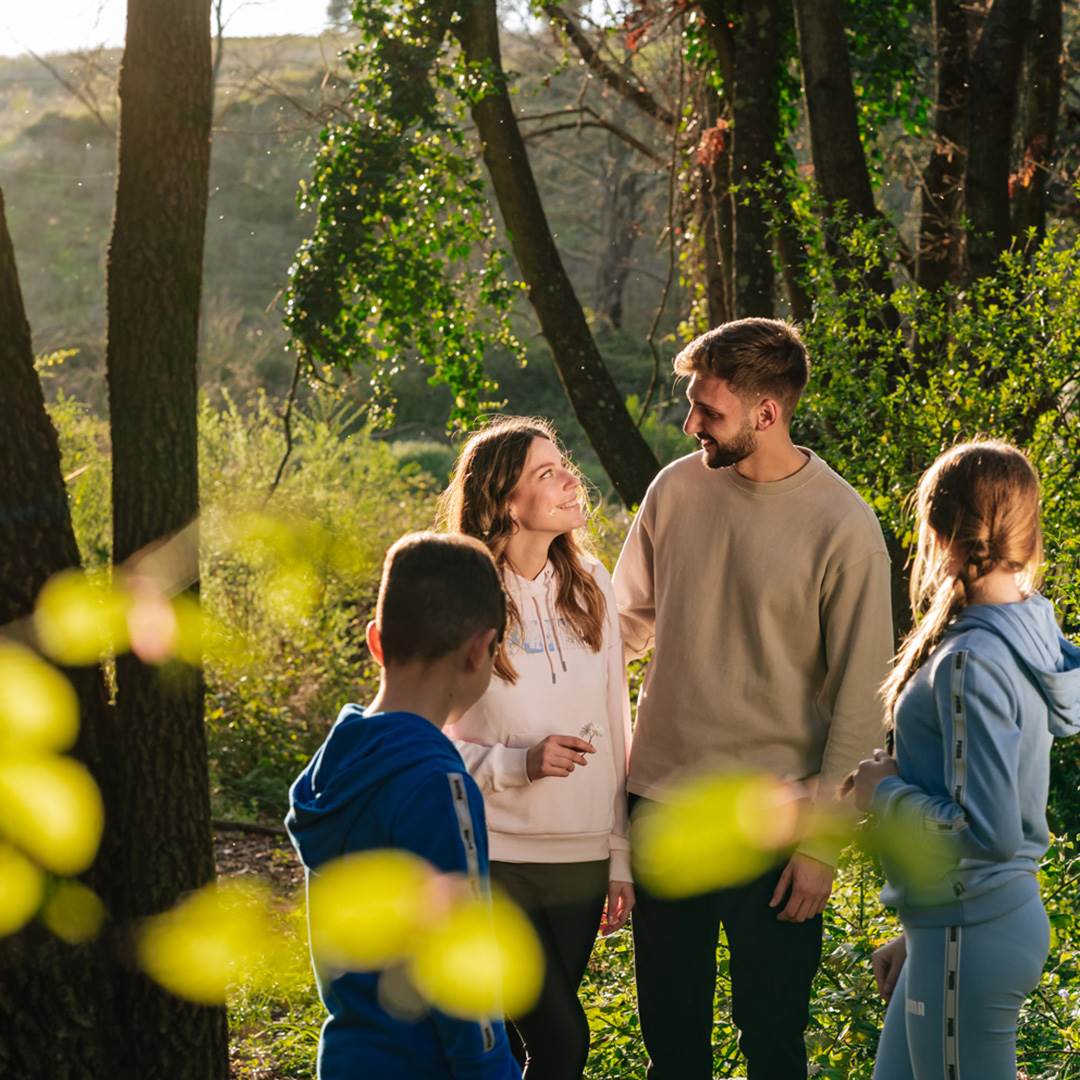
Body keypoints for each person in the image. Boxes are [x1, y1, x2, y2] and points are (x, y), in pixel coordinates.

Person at [613, 317, 894, 1079]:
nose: (690, 423)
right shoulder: (674, 489)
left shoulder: (844, 526)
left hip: (775, 826)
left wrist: (821, 846)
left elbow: (863, 703)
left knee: (773, 1042)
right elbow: (616, 628)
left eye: (709, 410)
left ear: (766, 413)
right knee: (671, 1043)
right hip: (664, 807)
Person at [847, 441, 1080, 1080]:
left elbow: (990, 831)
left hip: (971, 929)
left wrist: (881, 792)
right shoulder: (1020, 631)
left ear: (936, 529)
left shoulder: (971, 658)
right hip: (954, 926)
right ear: (1028, 536)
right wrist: (918, 934)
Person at [285, 531, 522, 1080]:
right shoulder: (438, 783)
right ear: (478, 651)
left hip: (349, 1058)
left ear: (375, 642)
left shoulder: (337, 766)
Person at [440, 416, 634, 1080]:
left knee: (525, 1048)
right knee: (563, 1043)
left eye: (564, 464)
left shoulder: (593, 583)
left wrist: (619, 854)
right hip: (495, 861)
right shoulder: (458, 597)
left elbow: (617, 722)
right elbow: (422, 743)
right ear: (504, 502)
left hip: (579, 860)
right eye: (545, 473)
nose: (568, 478)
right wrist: (515, 763)